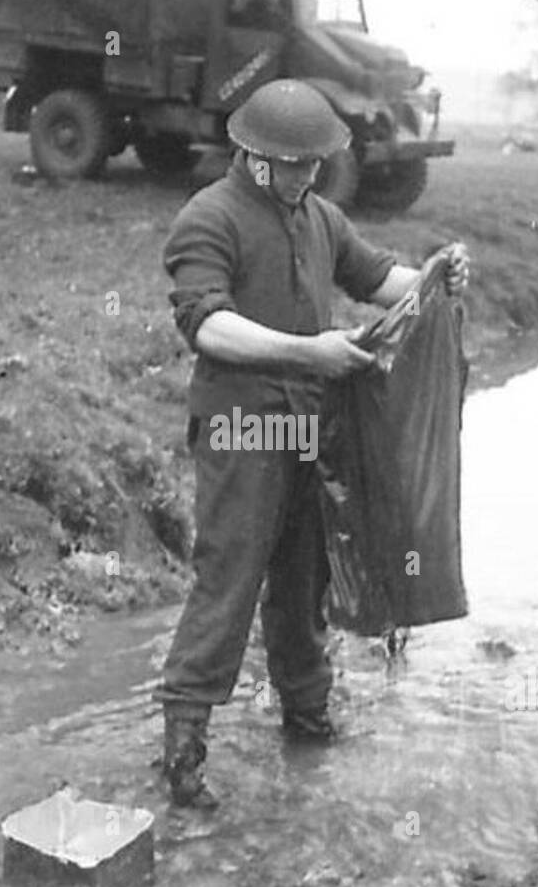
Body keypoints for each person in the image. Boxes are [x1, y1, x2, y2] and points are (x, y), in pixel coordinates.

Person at [157, 78, 469, 808]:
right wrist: (310, 352)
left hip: (310, 427)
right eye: (291, 164)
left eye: (314, 163)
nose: (305, 175)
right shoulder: (209, 219)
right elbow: (205, 325)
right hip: (243, 426)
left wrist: (434, 276)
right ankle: (184, 743)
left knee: (305, 579)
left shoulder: (320, 216)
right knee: (229, 577)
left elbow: (380, 280)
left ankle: (307, 710)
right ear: (251, 155)